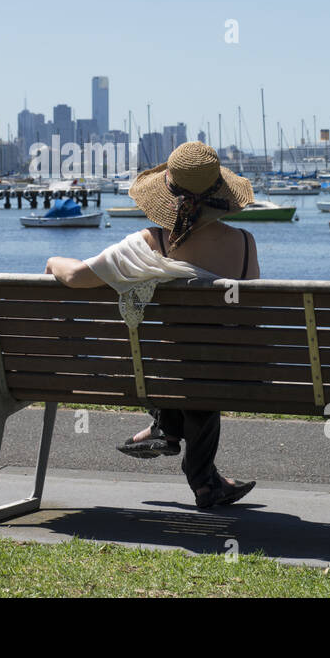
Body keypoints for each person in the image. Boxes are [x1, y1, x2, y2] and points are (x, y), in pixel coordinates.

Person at [44, 141, 260, 510]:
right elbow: (247, 318)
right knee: (205, 360)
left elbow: (77, 276)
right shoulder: (243, 244)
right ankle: (201, 476)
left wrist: (53, 261)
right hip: (225, 371)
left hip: (154, 372)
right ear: (219, 193)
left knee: (175, 358)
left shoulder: (149, 244)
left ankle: (167, 429)